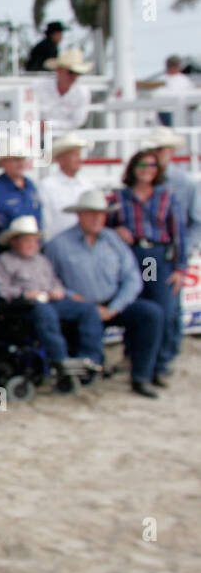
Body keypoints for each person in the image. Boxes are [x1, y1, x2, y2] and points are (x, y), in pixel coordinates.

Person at [45, 191, 164, 398]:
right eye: (91, 213)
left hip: (112, 304)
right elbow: (48, 279)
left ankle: (142, 377)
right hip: (80, 308)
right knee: (84, 354)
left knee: (151, 313)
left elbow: (133, 277)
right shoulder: (59, 244)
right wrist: (76, 298)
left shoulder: (113, 240)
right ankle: (80, 373)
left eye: (101, 214)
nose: (97, 218)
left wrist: (114, 307)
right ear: (79, 215)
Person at [106, 150, 186, 387]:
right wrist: (115, 231)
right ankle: (135, 361)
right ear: (132, 168)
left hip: (155, 256)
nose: (146, 169)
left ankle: (159, 366)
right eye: (142, 164)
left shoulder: (166, 197)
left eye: (152, 165)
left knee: (163, 309)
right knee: (137, 308)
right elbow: (103, 227)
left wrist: (180, 268)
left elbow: (177, 234)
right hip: (131, 256)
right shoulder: (119, 198)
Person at [0, 215, 102, 384]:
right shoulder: (5, 261)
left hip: (49, 301)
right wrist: (24, 293)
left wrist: (58, 290)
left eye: (35, 240)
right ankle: (60, 358)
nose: (32, 244)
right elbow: (0, 289)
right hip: (24, 307)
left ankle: (89, 359)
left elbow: (54, 282)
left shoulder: (42, 260)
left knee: (87, 309)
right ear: (14, 241)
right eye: (27, 240)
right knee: (46, 313)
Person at [145, 126, 201, 377]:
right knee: (154, 300)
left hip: (170, 253)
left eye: (162, 149)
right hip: (150, 253)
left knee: (171, 307)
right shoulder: (146, 179)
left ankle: (165, 356)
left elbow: (195, 221)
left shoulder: (184, 183)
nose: (159, 154)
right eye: (156, 149)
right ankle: (151, 355)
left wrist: (183, 253)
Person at [39, 134, 92, 240]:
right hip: (57, 243)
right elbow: (45, 222)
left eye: (78, 154)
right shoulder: (47, 186)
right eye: (74, 155)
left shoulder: (88, 185)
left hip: (85, 243)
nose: (78, 159)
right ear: (60, 159)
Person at [0, 139, 43, 231]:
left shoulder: (30, 185)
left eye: (22, 159)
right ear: (3, 162)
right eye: (16, 159)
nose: (20, 163)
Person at [36, 48, 92, 136]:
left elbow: (77, 122)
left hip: (65, 137)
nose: (74, 76)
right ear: (59, 70)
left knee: (72, 146)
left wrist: (48, 125)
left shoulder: (82, 93)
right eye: (71, 72)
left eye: (78, 73)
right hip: (36, 137)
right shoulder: (38, 87)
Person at [155, 55, 195, 127]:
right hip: (164, 111)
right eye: (171, 65)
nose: (172, 67)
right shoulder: (160, 80)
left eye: (174, 65)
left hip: (181, 112)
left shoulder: (184, 80)